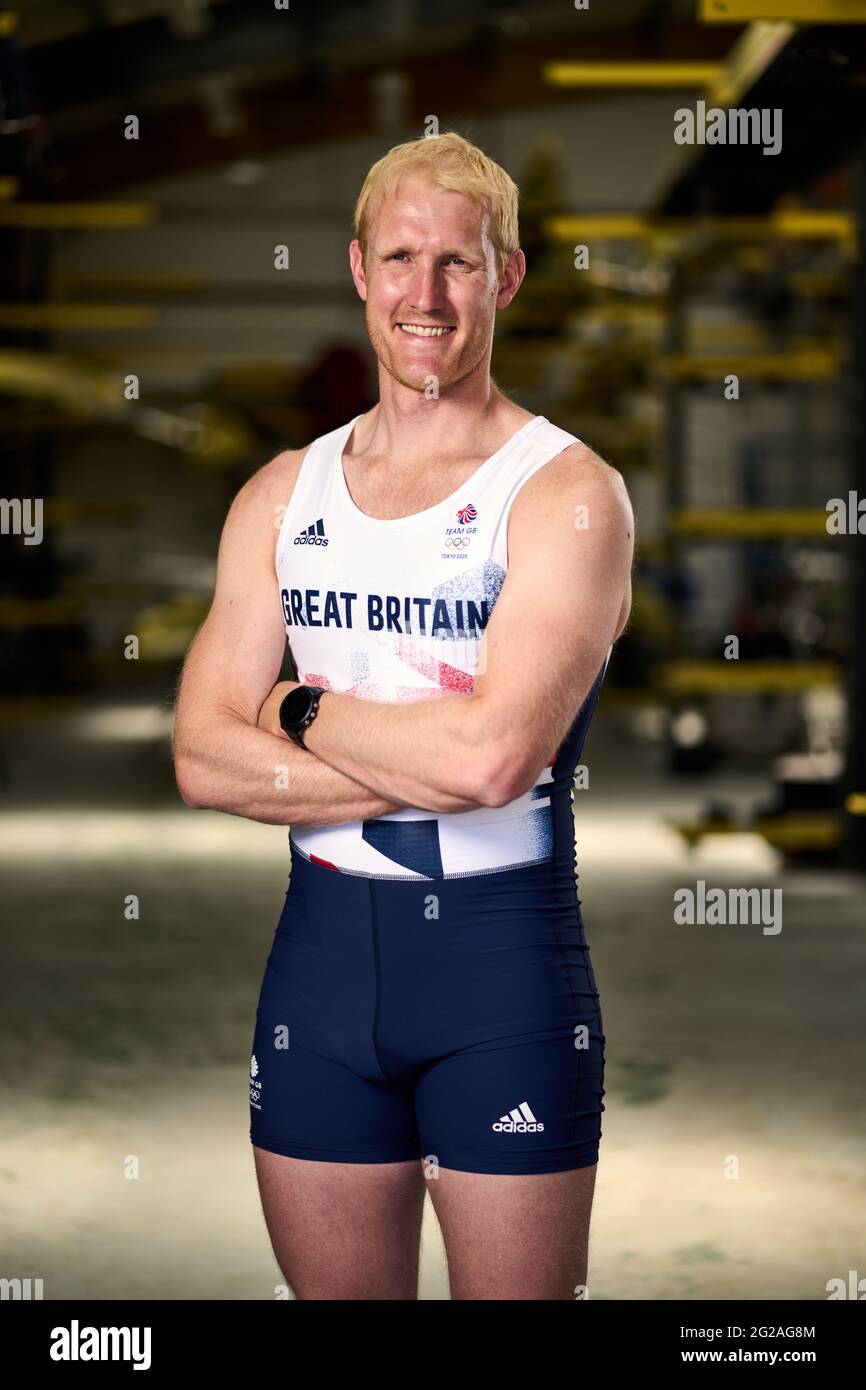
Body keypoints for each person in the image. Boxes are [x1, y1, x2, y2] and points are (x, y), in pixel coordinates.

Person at [173, 130, 634, 1300]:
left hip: (501, 980)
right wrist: (420, 752)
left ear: (508, 277)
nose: (424, 295)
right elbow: (200, 757)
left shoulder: (565, 493)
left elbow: (490, 762)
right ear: (357, 269)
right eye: (399, 259)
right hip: (317, 979)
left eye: (460, 264)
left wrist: (296, 706)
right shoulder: (283, 492)